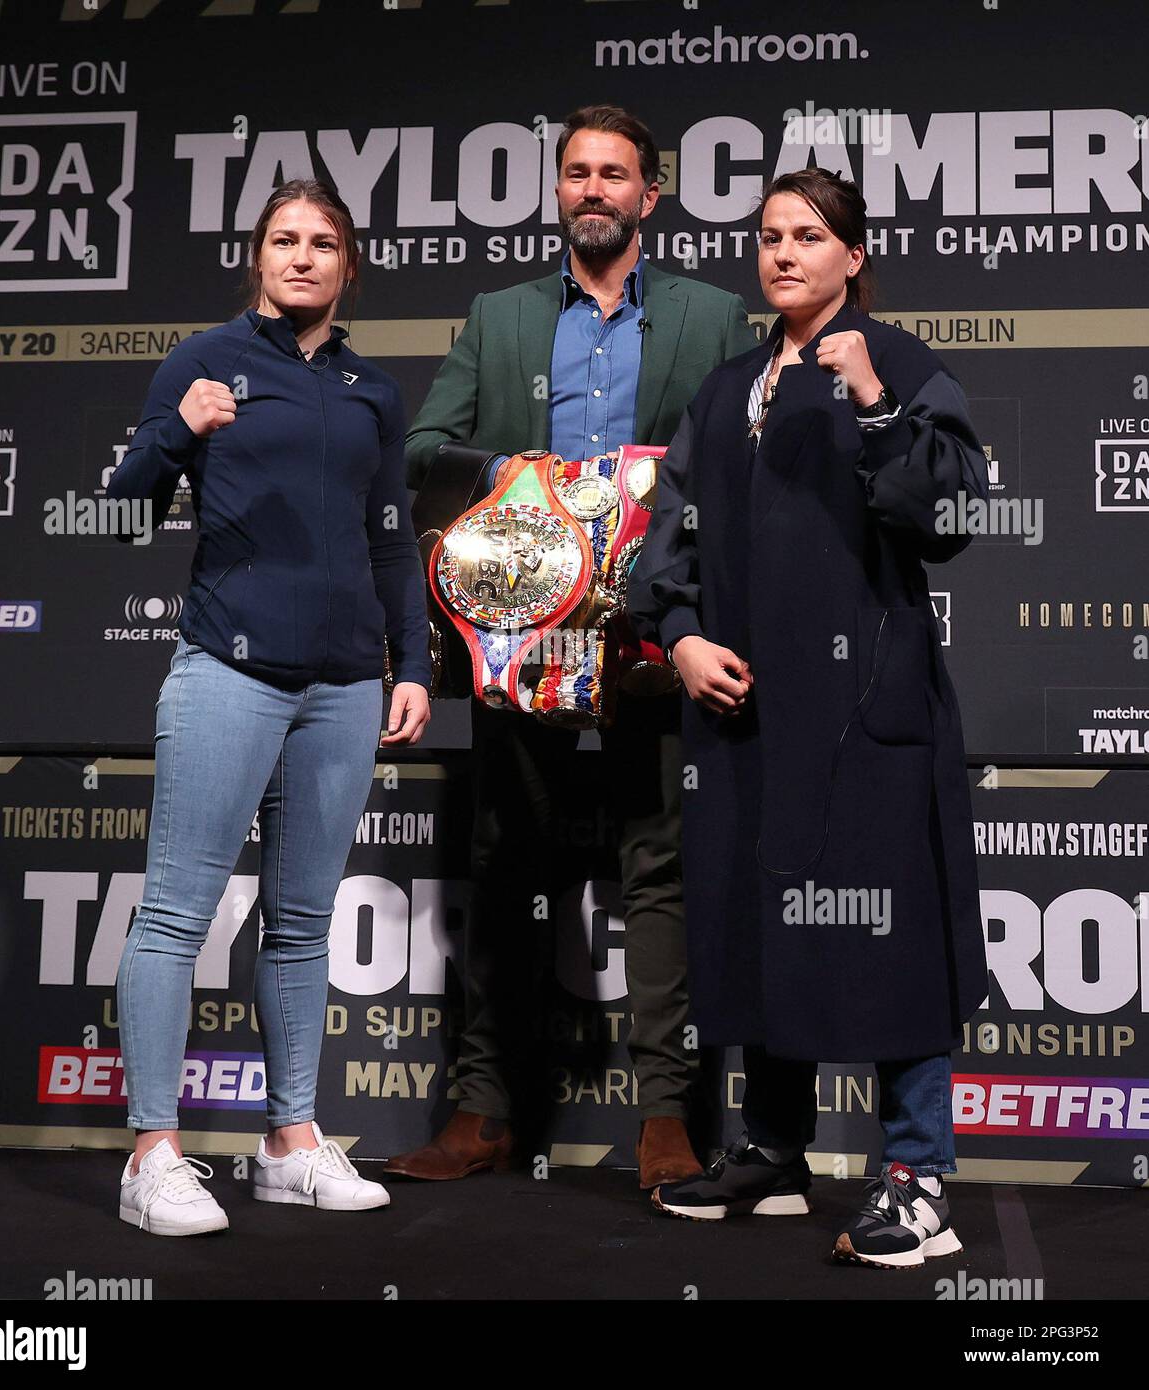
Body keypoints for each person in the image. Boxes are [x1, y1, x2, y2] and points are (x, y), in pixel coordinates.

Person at [386, 105, 753, 1191]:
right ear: (559, 193)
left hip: (655, 632)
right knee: (507, 862)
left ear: (650, 194)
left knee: (661, 867)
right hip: (519, 637)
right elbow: (419, 447)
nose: (593, 190)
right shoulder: (498, 317)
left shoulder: (710, 314)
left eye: (614, 175)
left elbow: (740, 458)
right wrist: (528, 490)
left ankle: (667, 1120)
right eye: (576, 174)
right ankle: (483, 1109)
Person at [628, 167, 988, 1268]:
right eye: (769, 236)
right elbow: (664, 538)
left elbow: (953, 511)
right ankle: (772, 1151)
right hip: (743, 719)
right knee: (752, 924)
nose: (782, 252)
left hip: (864, 716)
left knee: (892, 939)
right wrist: (679, 636)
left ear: (851, 254)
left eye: (807, 236)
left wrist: (874, 399)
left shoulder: (903, 366)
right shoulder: (723, 385)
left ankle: (916, 1175)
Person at [106, 177, 432, 1235]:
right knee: (172, 914)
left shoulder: (373, 392)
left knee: (299, 922)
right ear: (257, 257)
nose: (301, 256)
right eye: (283, 240)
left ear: (348, 265)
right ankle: (152, 1152)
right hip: (228, 670)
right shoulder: (204, 361)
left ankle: (289, 1139)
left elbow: (390, 536)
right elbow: (121, 512)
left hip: (343, 685)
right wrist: (174, 434)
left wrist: (414, 664)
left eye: (322, 242)